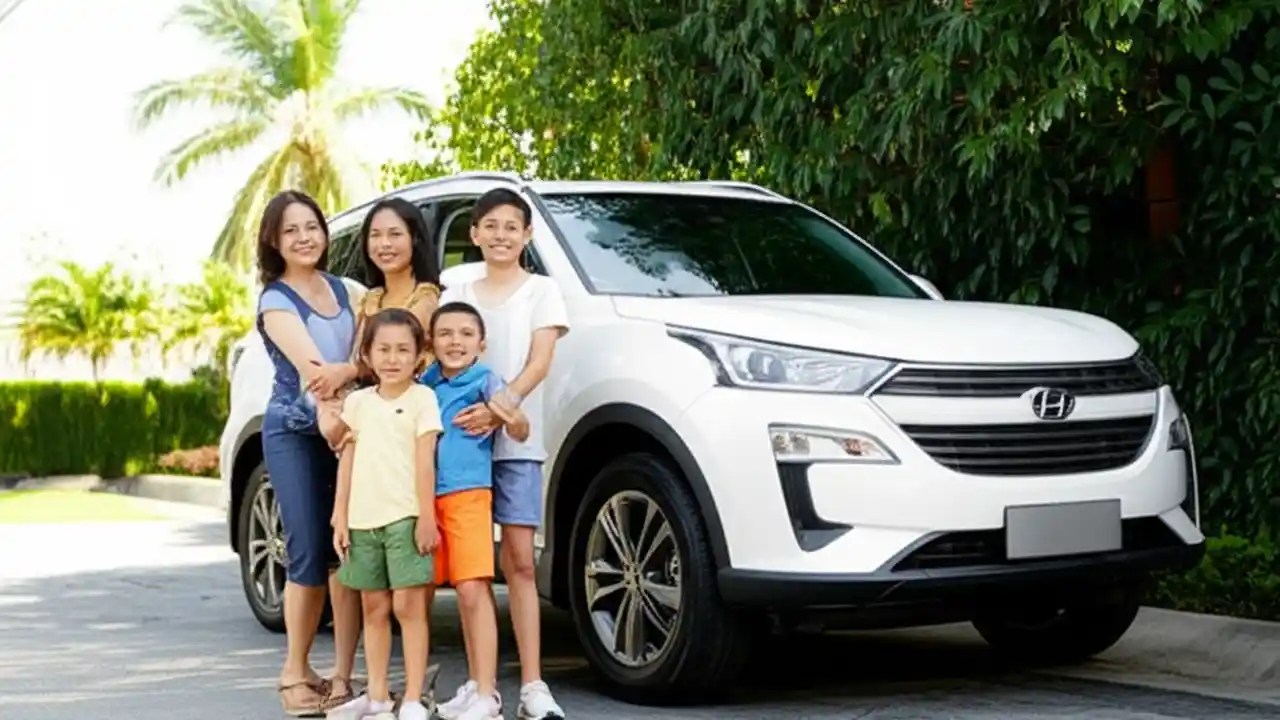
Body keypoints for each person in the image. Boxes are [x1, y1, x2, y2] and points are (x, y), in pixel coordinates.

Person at [435, 188, 570, 720]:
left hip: (516, 442)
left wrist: (500, 409)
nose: (500, 235)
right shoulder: (455, 287)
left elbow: (540, 361)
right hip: (459, 448)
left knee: (518, 561)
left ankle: (534, 686)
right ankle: (479, 686)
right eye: (489, 225)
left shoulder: (542, 291)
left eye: (511, 226)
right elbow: (441, 353)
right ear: (474, 233)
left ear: (527, 235)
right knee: (471, 572)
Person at [255, 190, 363, 716]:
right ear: (274, 241)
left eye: (312, 226)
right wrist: (342, 390)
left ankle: (341, 676)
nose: (304, 237)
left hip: (345, 431)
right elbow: (316, 371)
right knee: (306, 552)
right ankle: (294, 674)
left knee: (344, 553)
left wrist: (354, 378)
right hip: (296, 432)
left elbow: (368, 352)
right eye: (291, 230)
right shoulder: (276, 300)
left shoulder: (346, 290)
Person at [328, 309, 442, 720]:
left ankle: (411, 697)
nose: (393, 359)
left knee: (408, 608)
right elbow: (347, 459)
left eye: (403, 350)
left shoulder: (423, 399)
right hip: (363, 521)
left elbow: (425, 462)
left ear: (419, 356)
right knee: (373, 609)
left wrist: (426, 517)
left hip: (405, 518)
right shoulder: (357, 403)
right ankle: (376, 696)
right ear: (367, 354)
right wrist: (340, 515)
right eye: (384, 349)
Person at [420, 301, 531, 720]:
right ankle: (453, 689)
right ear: (431, 342)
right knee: (425, 589)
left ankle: (487, 694)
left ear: (481, 344)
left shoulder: (485, 380)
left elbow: (521, 427)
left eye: (466, 334)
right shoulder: (425, 383)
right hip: (425, 497)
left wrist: (504, 418)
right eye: (445, 333)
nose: (456, 342)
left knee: (472, 588)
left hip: (467, 494)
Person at [317, 198, 441, 448]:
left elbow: (393, 347)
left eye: (395, 234)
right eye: (375, 235)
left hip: (414, 424)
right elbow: (360, 359)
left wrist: (347, 370)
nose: (384, 244)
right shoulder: (370, 300)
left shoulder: (427, 298)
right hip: (372, 424)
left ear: (415, 239)